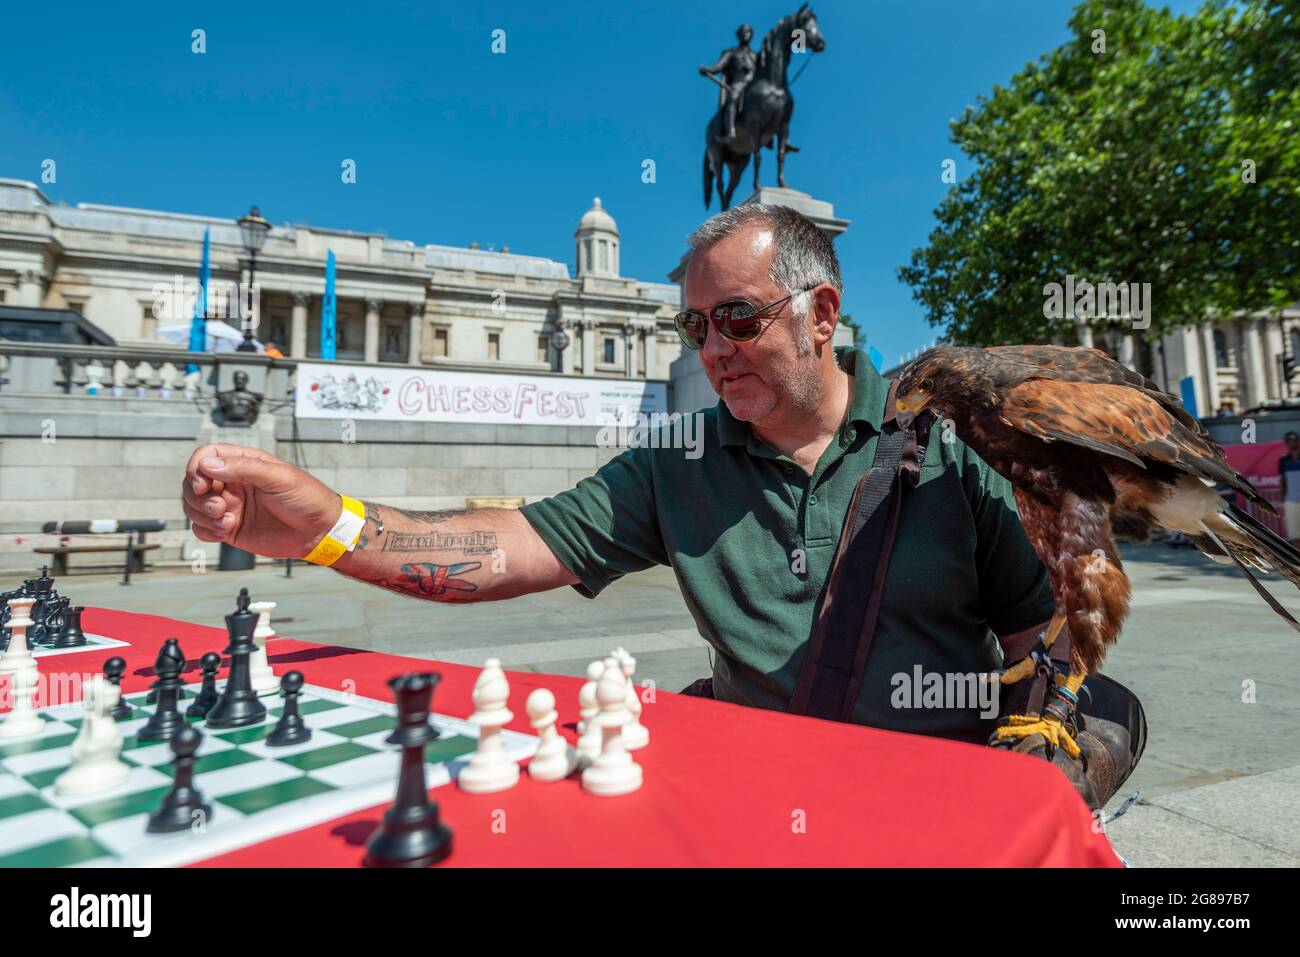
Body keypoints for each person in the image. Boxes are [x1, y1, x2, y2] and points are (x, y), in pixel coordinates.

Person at [182, 205, 1119, 801]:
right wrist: (330, 526)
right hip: (760, 807)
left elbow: (1042, 637)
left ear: (821, 313)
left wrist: (1032, 767)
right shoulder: (680, 459)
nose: (713, 348)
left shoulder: (955, 445)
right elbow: (509, 546)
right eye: (695, 326)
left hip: (935, 808)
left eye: (739, 318)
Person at [1279, 431, 1300, 546]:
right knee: (1295, 534)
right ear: (1286, 443)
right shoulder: (1283, 460)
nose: (1292, 443)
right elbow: (1282, 479)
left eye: (1294, 440)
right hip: (1291, 501)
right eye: (1289, 440)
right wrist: (1282, 496)